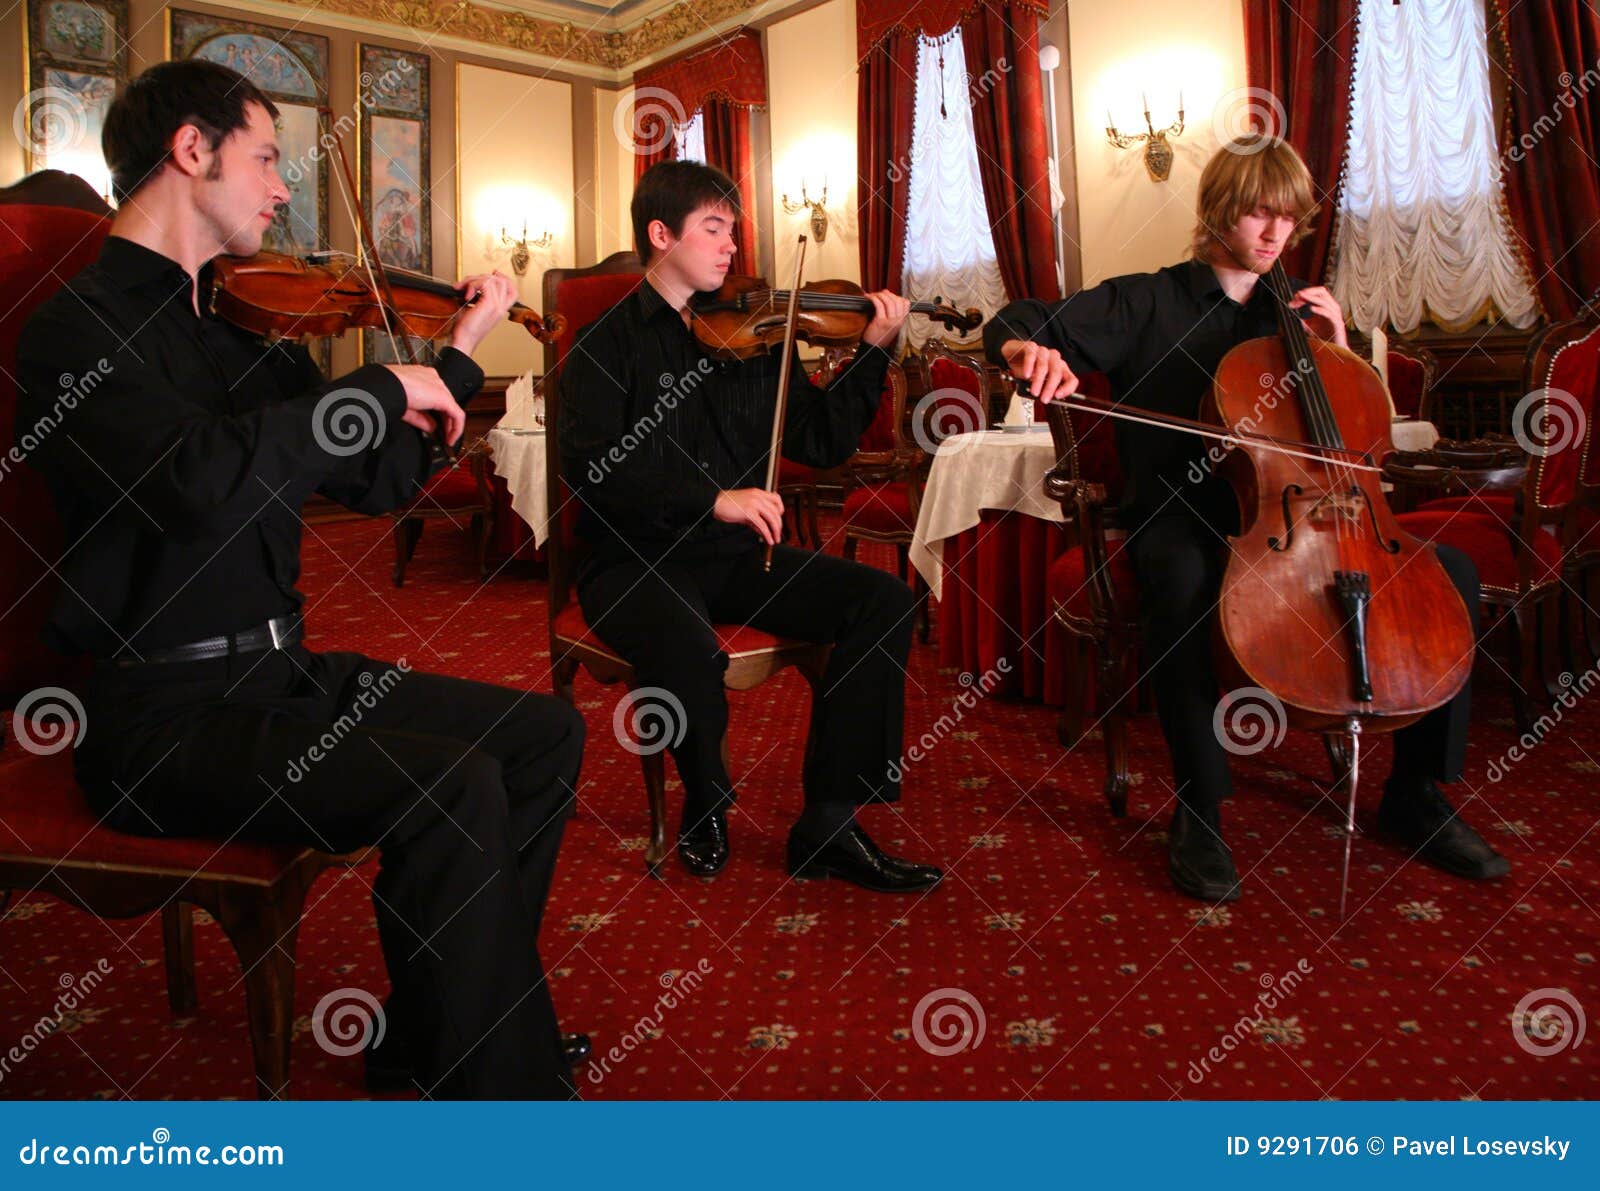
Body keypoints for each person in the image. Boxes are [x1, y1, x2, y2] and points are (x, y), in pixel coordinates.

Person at [15, 60, 586, 1098]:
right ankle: (500, 1091)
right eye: (269, 159)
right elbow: (191, 482)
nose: (284, 191)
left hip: (282, 682)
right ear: (192, 151)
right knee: (449, 785)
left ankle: (436, 1028)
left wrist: (454, 356)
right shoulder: (74, 333)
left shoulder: (248, 333)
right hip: (162, 715)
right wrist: (377, 382)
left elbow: (380, 480)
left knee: (543, 736)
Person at [984, 136, 1508, 902]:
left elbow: (1357, 445)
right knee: (1181, 574)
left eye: (1289, 218)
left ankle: (1416, 791)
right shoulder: (1145, 300)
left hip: (1296, 513)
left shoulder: (1291, 313)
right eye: (1260, 212)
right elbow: (1017, 315)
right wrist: (1026, 350)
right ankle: (1200, 806)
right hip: (1180, 510)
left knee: (1449, 574)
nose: (1274, 234)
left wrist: (1337, 351)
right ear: (1220, 211)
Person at [559, 160, 942, 892]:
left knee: (883, 602)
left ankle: (828, 821)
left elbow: (822, 442)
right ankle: (707, 799)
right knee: (690, 650)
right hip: (632, 559)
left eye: (733, 230)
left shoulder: (760, 336)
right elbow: (596, 470)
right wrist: (713, 498)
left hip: (732, 557)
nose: (731, 246)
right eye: (713, 229)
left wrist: (873, 353)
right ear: (661, 235)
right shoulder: (605, 344)